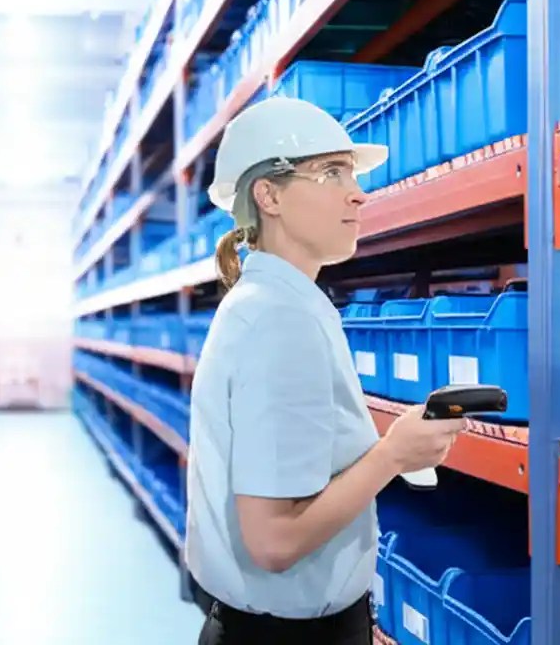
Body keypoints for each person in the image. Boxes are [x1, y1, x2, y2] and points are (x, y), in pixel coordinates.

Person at [184, 97, 464, 644]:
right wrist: (393, 454)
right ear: (269, 196)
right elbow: (275, 542)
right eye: (332, 173)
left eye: (352, 175)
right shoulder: (280, 320)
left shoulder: (278, 303)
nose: (358, 193)